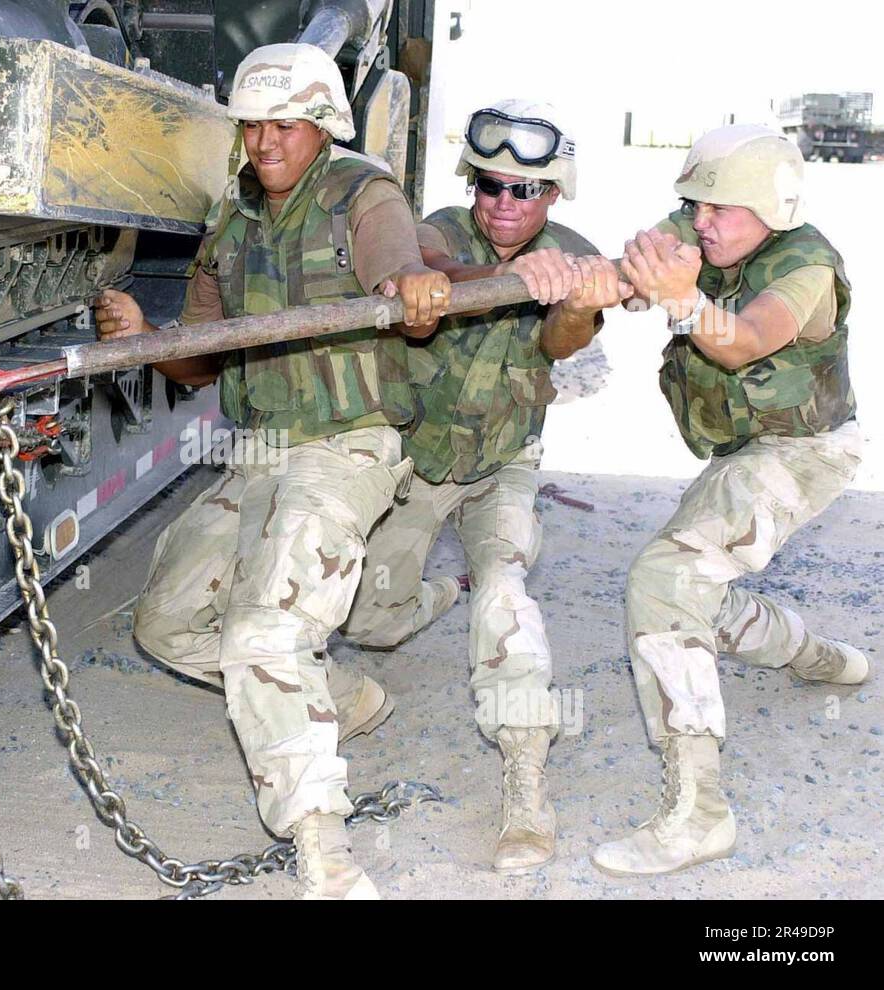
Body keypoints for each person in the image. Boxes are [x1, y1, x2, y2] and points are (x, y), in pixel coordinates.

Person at [94, 42, 452, 898]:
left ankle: (321, 844)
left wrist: (415, 290)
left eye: (284, 124)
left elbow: (403, 275)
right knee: (168, 624)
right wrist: (146, 335)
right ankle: (343, 699)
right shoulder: (233, 219)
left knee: (265, 633)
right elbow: (199, 362)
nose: (265, 142)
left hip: (348, 443)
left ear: (321, 124)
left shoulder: (363, 195)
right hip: (260, 449)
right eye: (253, 125)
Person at [342, 100, 629, 872]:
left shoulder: (577, 255)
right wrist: (506, 278)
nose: (505, 203)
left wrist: (573, 301)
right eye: (493, 185)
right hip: (420, 462)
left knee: (505, 594)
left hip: (503, 462)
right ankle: (436, 595)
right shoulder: (435, 225)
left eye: (525, 190)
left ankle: (526, 782)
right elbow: (426, 271)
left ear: (553, 196)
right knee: (370, 620)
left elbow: (562, 344)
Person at [592, 124, 867, 876]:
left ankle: (699, 813)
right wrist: (583, 277)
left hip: (806, 451)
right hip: (747, 448)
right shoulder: (708, 227)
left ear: (767, 212)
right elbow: (636, 262)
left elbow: (746, 340)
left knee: (667, 576)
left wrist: (679, 298)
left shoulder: (805, 266)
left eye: (718, 208)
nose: (700, 220)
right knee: (696, 588)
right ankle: (815, 655)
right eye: (694, 204)